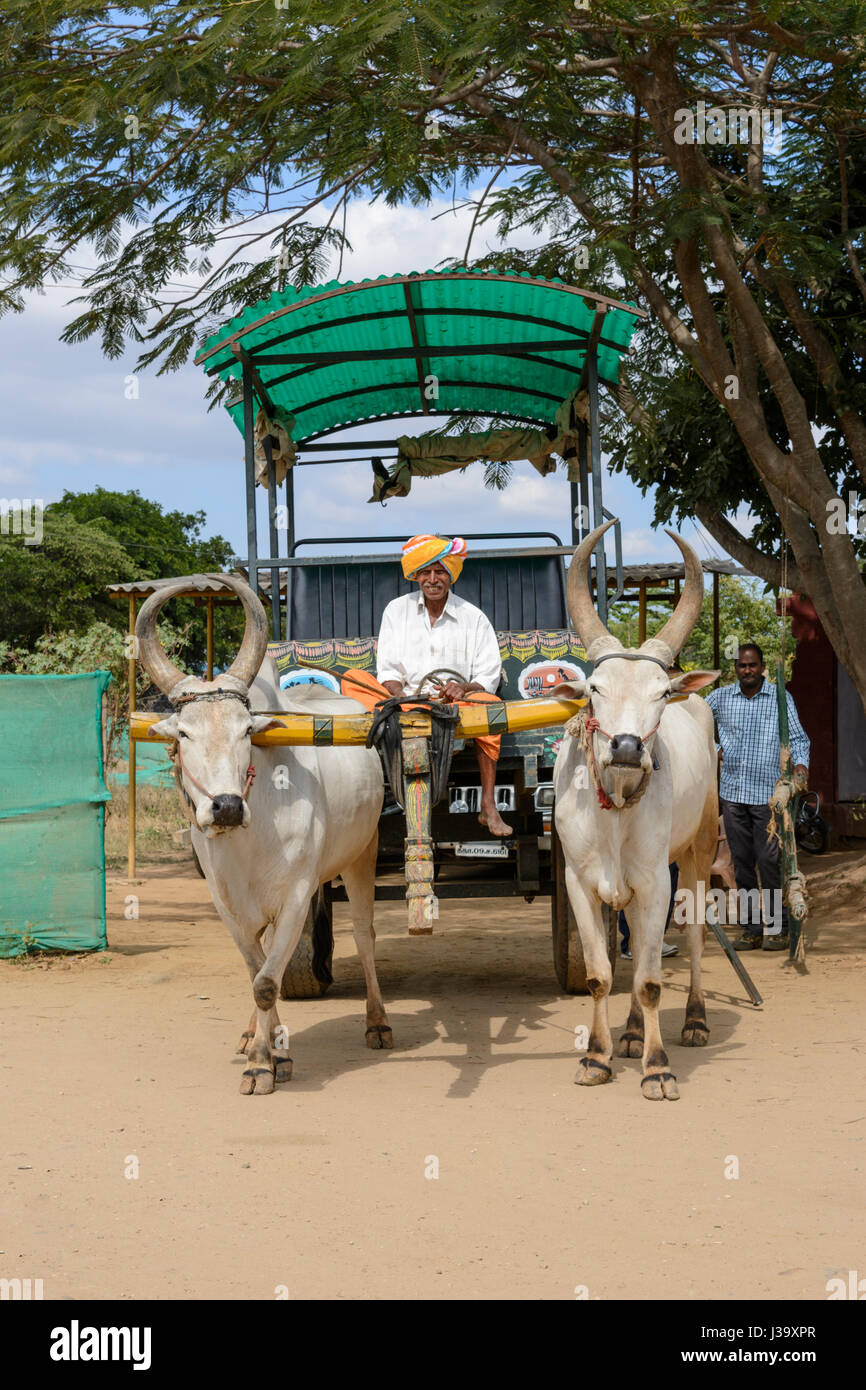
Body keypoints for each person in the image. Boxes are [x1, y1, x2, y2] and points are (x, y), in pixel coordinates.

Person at [347, 534, 512, 836]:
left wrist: (463, 688)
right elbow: (388, 670)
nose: (433, 579)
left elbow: (488, 673)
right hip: (403, 705)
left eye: (440, 572)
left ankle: (488, 805)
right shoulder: (396, 611)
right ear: (416, 575)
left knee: (491, 706)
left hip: (456, 708)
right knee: (353, 681)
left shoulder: (473, 617)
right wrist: (402, 696)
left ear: (451, 575)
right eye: (426, 572)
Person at [706, 642, 810, 951]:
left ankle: (778, 927)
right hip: (734, 794)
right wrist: (715, 750)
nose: (747, 671)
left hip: (768, 795)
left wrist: (801, 766)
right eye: (742, 666)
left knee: (769, 861)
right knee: (741, 864)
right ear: (735, 669)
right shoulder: (720, 697)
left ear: (761, 667)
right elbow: (692, 719)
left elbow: (799, 738)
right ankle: (751, 929)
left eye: (752, 665)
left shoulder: (780, 697)